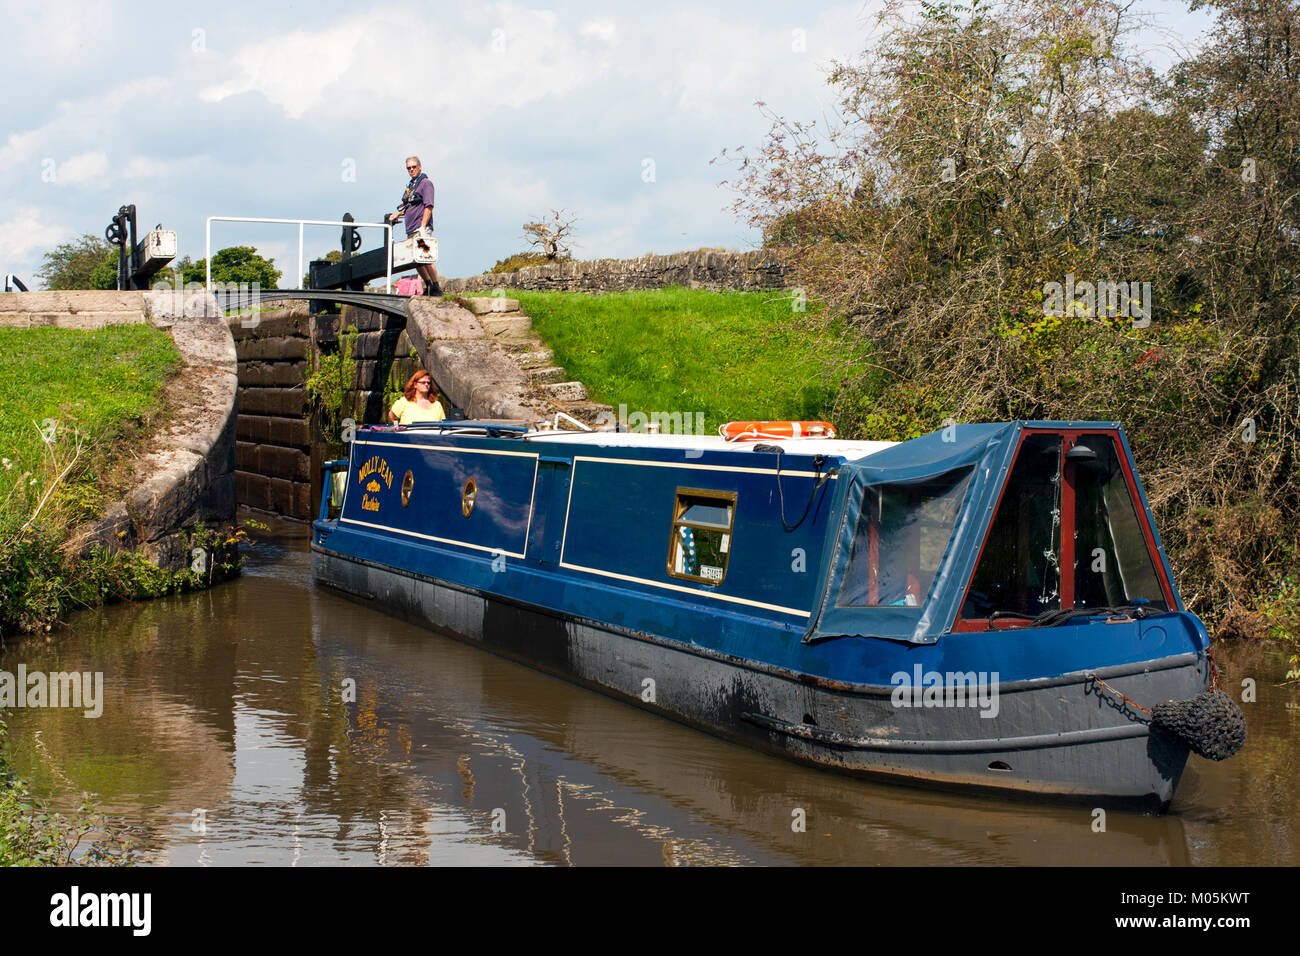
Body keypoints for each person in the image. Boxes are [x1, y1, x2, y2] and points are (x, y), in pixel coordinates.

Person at [386, 155, 442, 296]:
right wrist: (397, 214)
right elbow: (407, 204)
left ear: (420, 166)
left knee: (425, 256)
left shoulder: (425, 183)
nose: (411, 170)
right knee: (416, 261)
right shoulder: (411, 186)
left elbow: (429, 206)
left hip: (420, 227)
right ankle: (428, 285)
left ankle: (436, 287)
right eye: (408, 168)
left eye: (413, 167)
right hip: (410, 227)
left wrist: (423, 227)